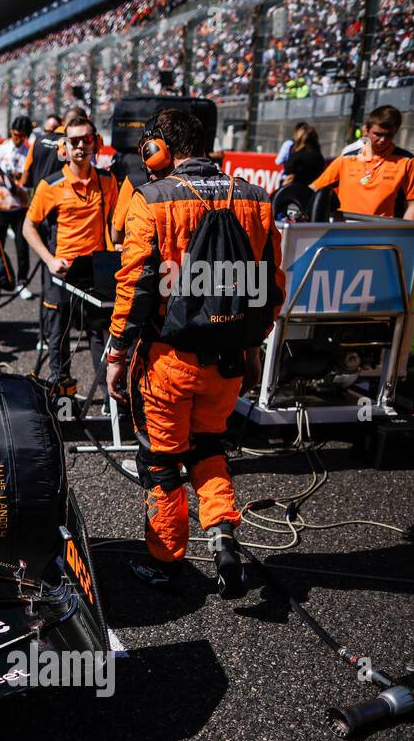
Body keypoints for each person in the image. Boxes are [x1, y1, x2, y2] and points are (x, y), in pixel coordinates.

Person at [106, 108, 285, 597]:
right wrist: (252, 345)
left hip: (169, 361)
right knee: (208, 448)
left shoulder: (152, 199)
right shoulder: (255, 196)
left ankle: (166, 564)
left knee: (161, 463)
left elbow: (136, 286)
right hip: (227, 360)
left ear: (158, 149)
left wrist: (118, 353)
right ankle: (224, 535)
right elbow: (269, 285)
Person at [22, 115, 118, 399]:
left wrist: (117, 250)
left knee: (99, 336)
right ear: (64, 146)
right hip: (61, 271)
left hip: (95, 271)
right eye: (74, 141)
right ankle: (62, 399)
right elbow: (28, 227)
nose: (80, 146)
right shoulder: (49, 185)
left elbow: (113, 222)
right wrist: (50, 260)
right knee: (59, 339)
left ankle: (110, 397)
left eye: (86, 140)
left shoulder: (107, 181)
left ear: (95, 143)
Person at [310, 106, 414, 219]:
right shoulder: (347, 158)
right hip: (343, 228)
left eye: (389, 135)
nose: (383, 140)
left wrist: (405, 232)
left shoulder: (407, 161)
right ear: (366, 131)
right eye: (378, 134)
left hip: (380, 230)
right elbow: (314, 188)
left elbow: (413, 205)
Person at [0, 115, 34, 299]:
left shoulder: (30, 151)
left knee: (22, 246)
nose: (17, 138)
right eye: (15, 134)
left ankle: (22, 282)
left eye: (21, 135)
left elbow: (32, 179)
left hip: (21, 206)